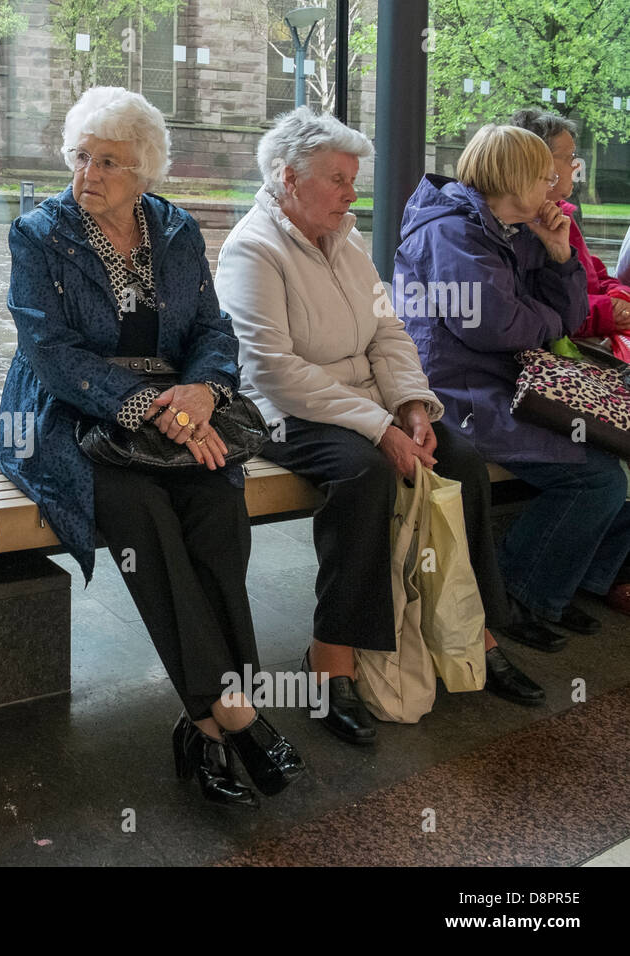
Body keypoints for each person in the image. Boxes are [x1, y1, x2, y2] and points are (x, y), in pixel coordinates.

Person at [0, 86, 304, 809]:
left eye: (108, 162)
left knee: (217, 504)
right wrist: (142, 408)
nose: (86, 175)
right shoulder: (39, 233)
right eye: (80, 156)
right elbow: (48, 349)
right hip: (70, 414)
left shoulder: (174, 229)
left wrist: (200, 395)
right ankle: (227, 714)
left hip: (177, 412)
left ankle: (213, 717)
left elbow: (212, 330)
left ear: (146, 173)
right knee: (141, 515)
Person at [216, 108, 547, 747]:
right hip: (283, 411)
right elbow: (273, 369)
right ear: (289, 178)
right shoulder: (252, 249)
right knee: (363, 474)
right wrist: (379, 427)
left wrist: (413, 407)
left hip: (365, 399)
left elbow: (389, 332)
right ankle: (330, 659)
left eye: (353, 179)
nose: (352, 192)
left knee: (462, 457)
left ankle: (477, 633)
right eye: (338, 179)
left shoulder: (346, 239)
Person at [395, 124, 630, 632]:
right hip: (459, 396)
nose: (554, 188)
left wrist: (560, 254)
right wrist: (541, 318)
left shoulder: (516, 229)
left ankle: (561, 586)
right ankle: (516, 592)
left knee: (614, 461)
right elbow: (494, 325)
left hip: (509, 384)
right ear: (513, 179)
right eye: (545, 177)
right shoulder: (450, 231)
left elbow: (558, 316)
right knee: (596, 478)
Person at [511, 110, 630, 349]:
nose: (575, 165)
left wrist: (618, 295)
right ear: (538, 161)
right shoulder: (526, 226)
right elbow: (550, 312)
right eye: (569, 157)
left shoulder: (558, 213)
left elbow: (593, 272)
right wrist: (609, 310)